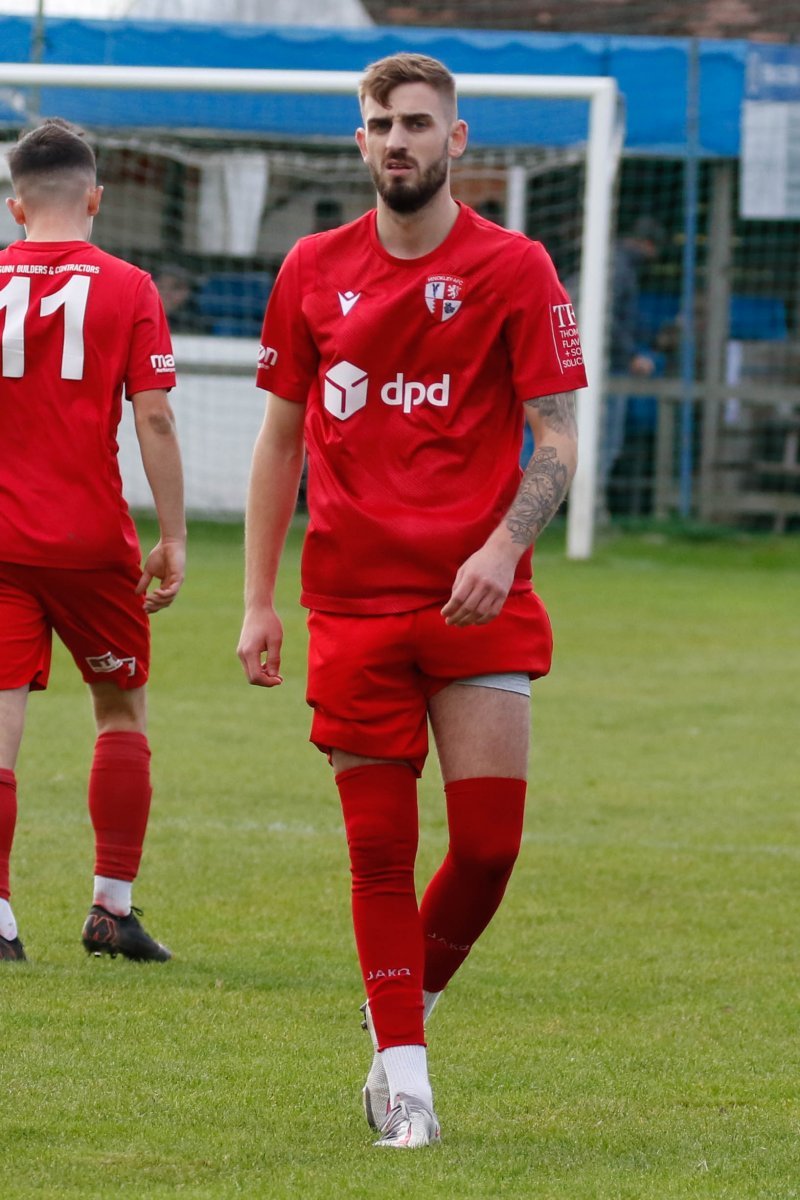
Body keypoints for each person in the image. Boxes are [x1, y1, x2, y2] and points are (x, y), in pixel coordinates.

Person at [237, 53, 584, 1148]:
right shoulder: (309, 268)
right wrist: (257, 601)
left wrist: (501, 544)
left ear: (457, 139)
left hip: (478, 601)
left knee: (485, 849)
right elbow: (279, 437)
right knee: (378, 855)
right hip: (349, 604)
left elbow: (559, 439)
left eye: (417, 124)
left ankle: (407, 1004)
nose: (398, 140)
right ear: (359, 142)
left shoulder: (515, 267)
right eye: (381, 124)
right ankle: (404, 1081)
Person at [0, 119, 186, 964]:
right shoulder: (130, 286)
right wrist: (173, 536)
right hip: (88, 543)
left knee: (1, 720)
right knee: (120, 709)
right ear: (95, 198)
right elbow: (152, 414)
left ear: (15, 208)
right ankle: (111, 907)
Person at [599, 215, 664, 516]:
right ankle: (593, 507)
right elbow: (605, 316)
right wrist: (630, 354)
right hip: (603, 366)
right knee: (607, 440)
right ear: (649, 245)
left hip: (579, 362)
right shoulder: (619, 268)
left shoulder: (605, 260)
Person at [153, 262, 208, 334]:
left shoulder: (198, 324)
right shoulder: (141, 318)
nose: (167, 294)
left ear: (188, 292)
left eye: (176, 288)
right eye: (161, 287)